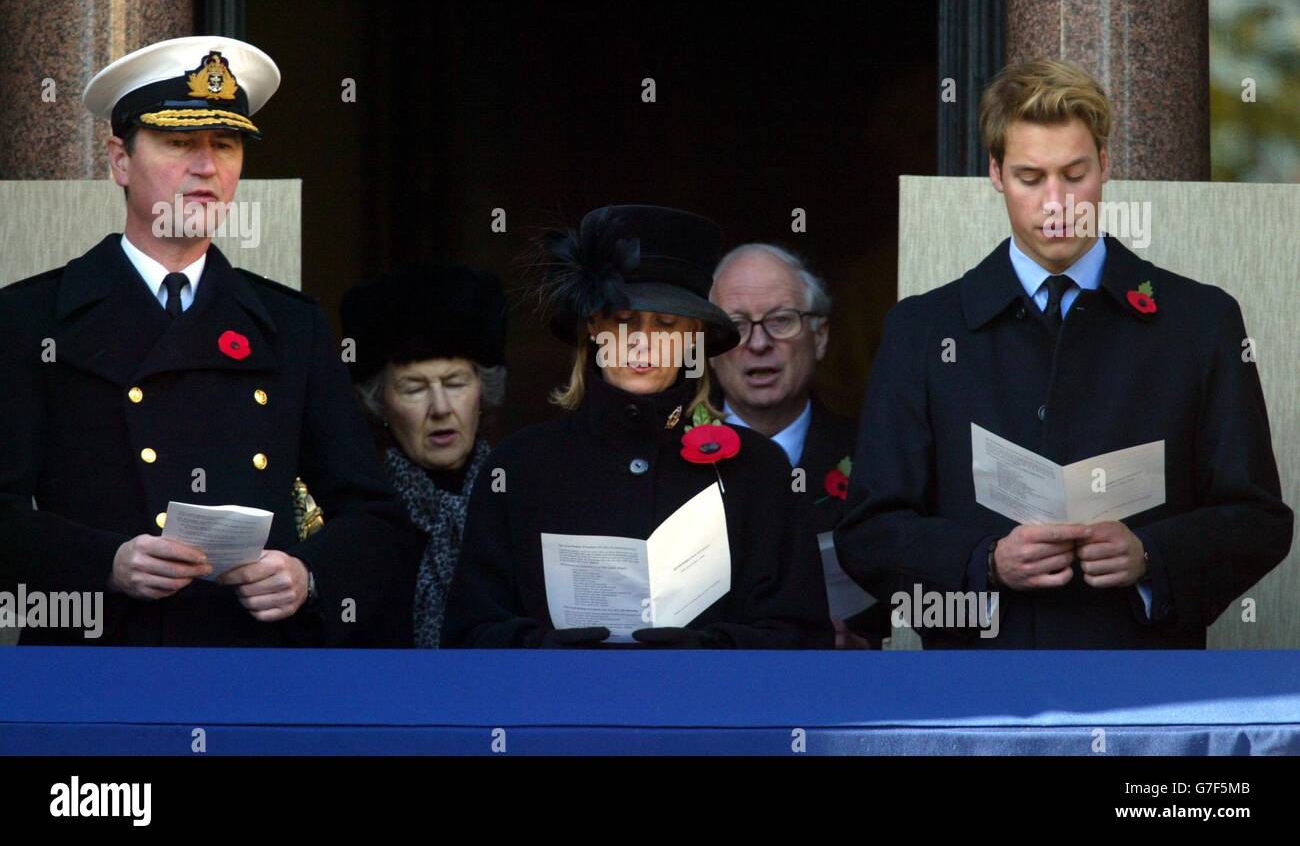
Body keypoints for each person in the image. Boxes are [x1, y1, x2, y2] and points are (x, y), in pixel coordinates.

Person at [835, 58, 1293, 648]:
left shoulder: (1202, 320)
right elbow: (868, 533)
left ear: (1105, 166)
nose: (1057, 204)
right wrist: (987, 561)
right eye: (1031, 178)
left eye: (1074, 174)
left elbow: (1257, 519)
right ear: (995, 174)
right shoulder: (921, 329)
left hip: (1146, 692)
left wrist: (1152, 555)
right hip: (978, 694)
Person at [0, 37, 422, 646]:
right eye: (179, 143)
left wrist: (309, 573)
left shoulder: (290, 324)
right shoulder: (31, 318)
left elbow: (375, 517)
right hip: (103, 666)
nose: (207, 167)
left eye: (225, 145)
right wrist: (105, 565)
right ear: (120, 159)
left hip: (250, 666)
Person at [441, 205, 833, 648]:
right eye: (623, 323)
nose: (643, 344)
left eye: (666, 324)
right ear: (593, 329)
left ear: (693, 337)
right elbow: (468, 634)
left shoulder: (758, 470)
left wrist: (710, 651)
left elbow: (802, 638)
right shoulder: (518, 466)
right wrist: (542, 650)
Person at [709, 243, 888, 648]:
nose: (757, 343)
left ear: (820, 337)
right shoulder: (668, 456)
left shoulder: (876, 457)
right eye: (735, 325)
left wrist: (862, 646)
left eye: (782, 320)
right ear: (708, 349)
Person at [340, 262, 508, 648]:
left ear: (483, 392)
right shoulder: (358, 513)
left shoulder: (515, 501)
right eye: (414, 388)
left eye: (455, 382)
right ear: (380, 402)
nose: (440, 408)